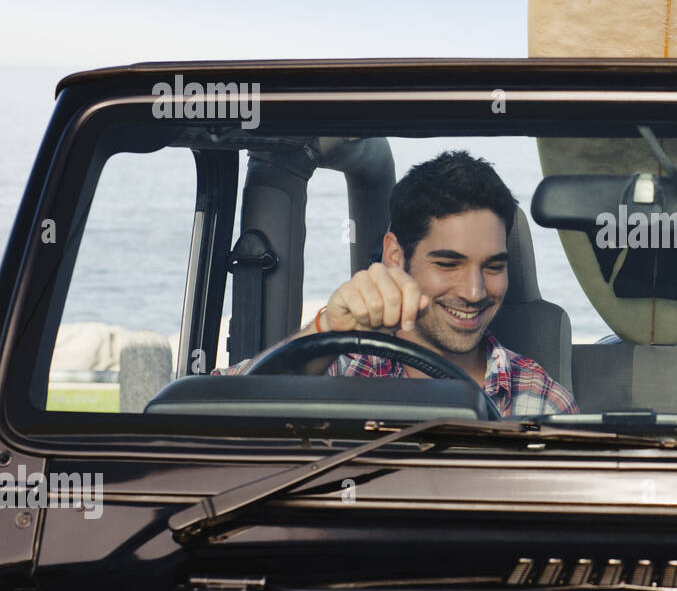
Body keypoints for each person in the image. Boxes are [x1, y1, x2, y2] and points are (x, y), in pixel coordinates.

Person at [218, 150, 578, 418]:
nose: (474, 292)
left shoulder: (540, 399)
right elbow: (205, 415)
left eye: (493, 267)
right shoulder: (340, 368)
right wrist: (324, 332)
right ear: (394, 255)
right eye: (448, 263)